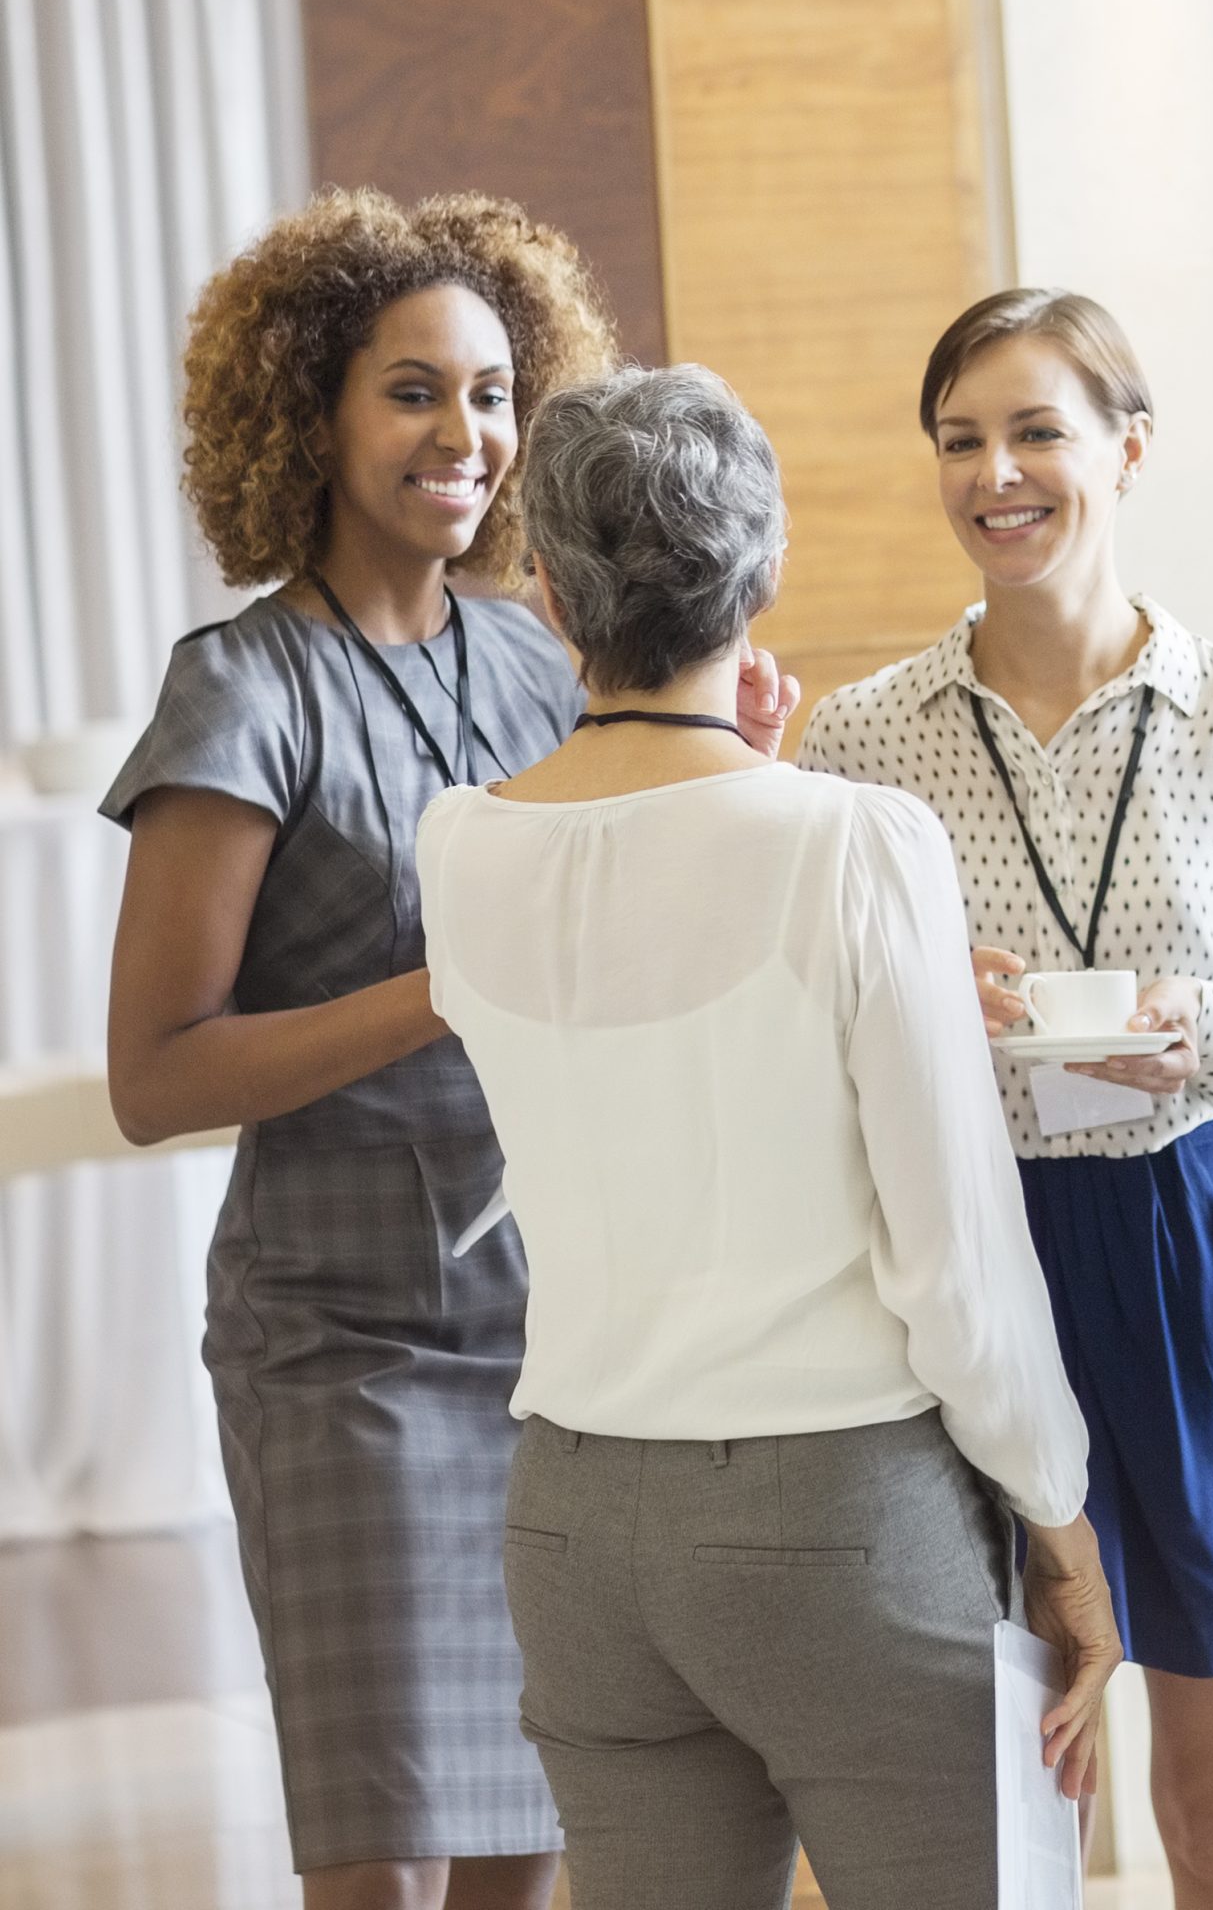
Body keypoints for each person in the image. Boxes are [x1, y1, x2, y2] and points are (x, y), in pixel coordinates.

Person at [99, 189, 785, 1910]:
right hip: (342, 1352)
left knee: (529, 1856)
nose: (464, 435)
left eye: (491, 394)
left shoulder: (544, 661)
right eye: (412, 392)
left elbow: (630, 935)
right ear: (311, 413)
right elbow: (157, 1076)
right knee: (382, 1870)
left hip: (559, 1337)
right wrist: (444, 986)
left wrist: (739, 776)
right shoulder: (243, 689)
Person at [416, 363, 1119, 1909]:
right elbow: (958, 1265)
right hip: (840, 1520)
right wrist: (1062, 1534)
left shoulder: (459, 848)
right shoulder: (855, 844)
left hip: (579, 1530)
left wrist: (748, 772)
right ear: (767, 570)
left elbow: (644, 962)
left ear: (550, 594)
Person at [798, 288, 1213, 1908]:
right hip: (974, 1254)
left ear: (1129, 450)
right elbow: (809, 1035)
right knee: (1014, 1813)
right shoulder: (861, 741)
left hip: (1201, 1247)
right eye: (961, 441)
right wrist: (922, 1013)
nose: (995, 474)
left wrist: (1198, 1026)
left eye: (1037, 432)